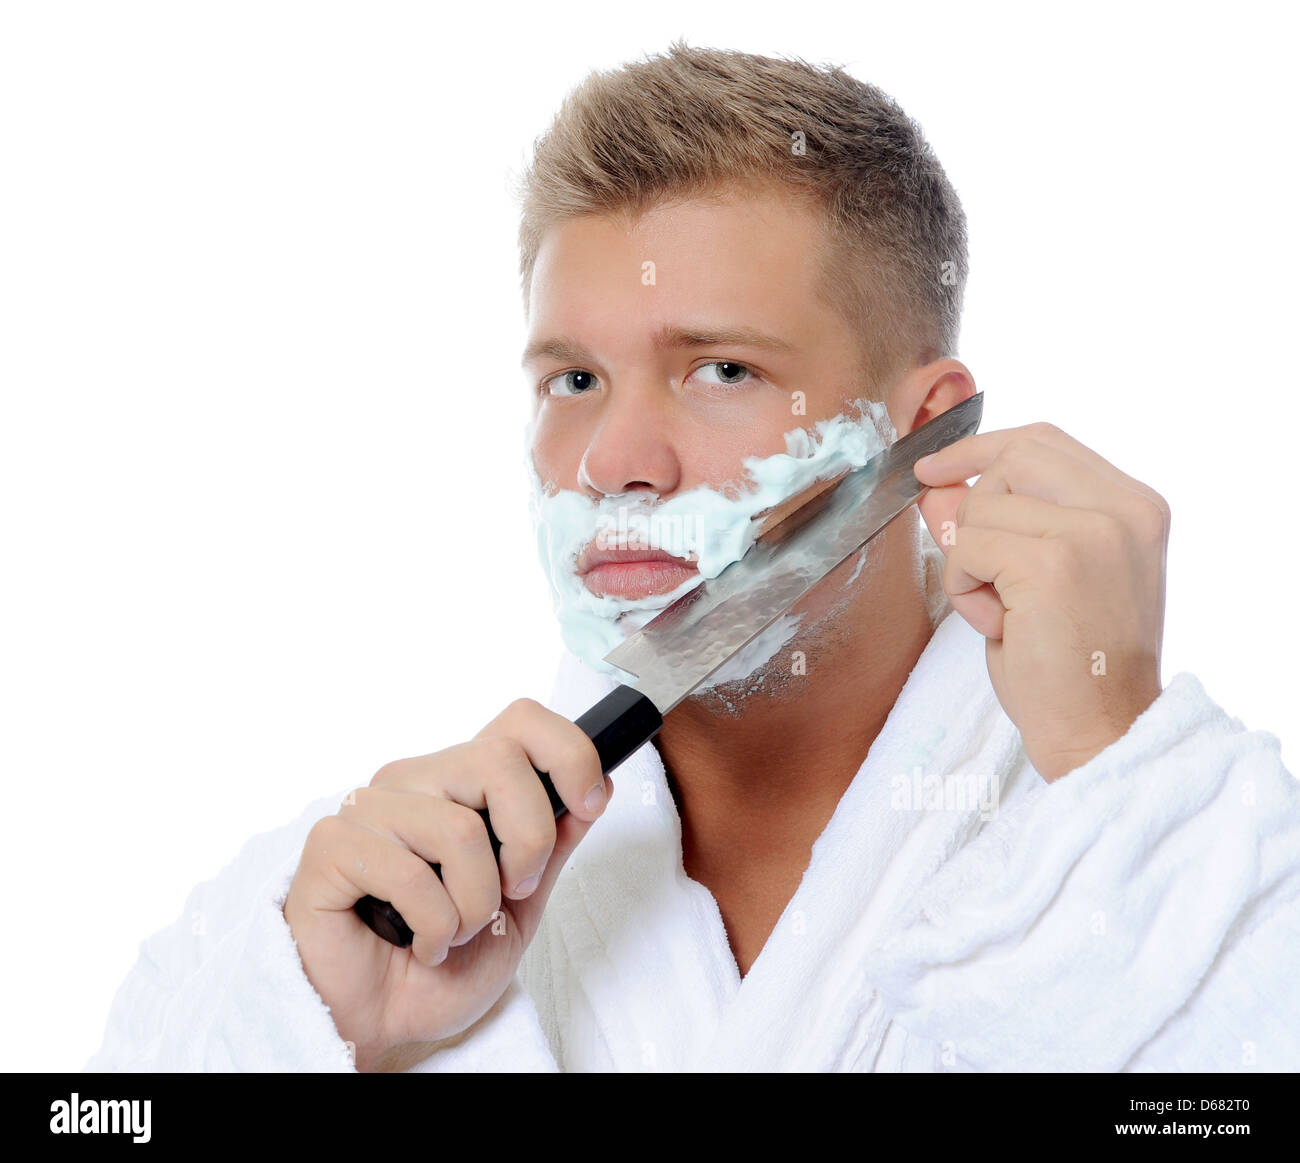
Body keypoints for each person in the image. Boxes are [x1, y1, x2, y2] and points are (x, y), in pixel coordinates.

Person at [85, 39, 1300, 1073]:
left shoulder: (1207, 853)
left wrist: (1116, 788)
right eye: (573, 378)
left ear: (922, 427)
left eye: (719, 368)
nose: (612, 457)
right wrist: (335, 1042)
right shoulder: (346, 911)